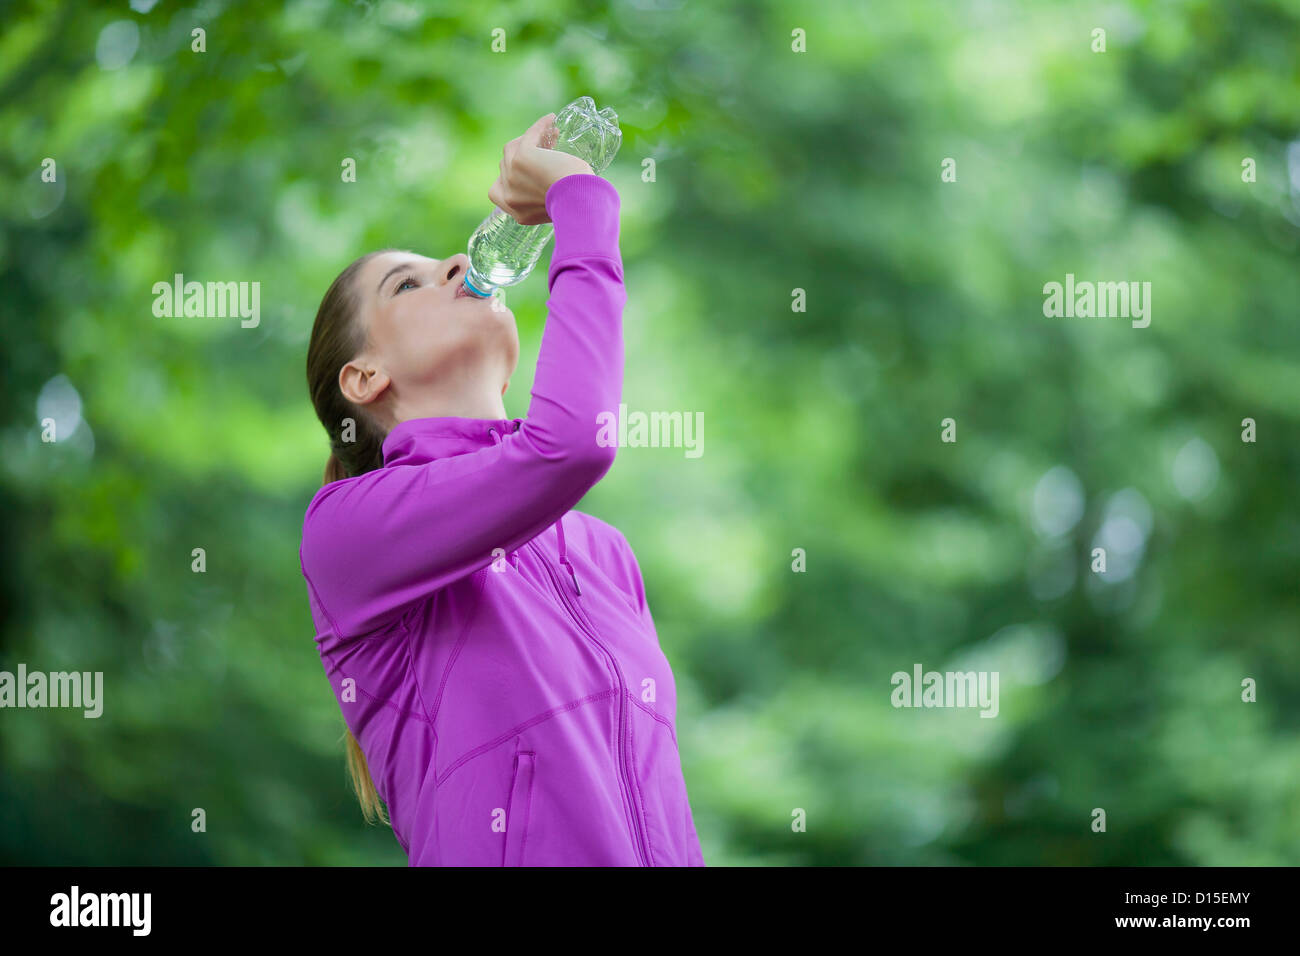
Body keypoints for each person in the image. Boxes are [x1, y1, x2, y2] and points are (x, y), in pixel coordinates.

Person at [300, 113, 705, 866]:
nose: (458, 262)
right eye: (407, 283)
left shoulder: (604, 553)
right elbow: (572, 442)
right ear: (364, 377)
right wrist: (580, 201)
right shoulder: (346, 532)